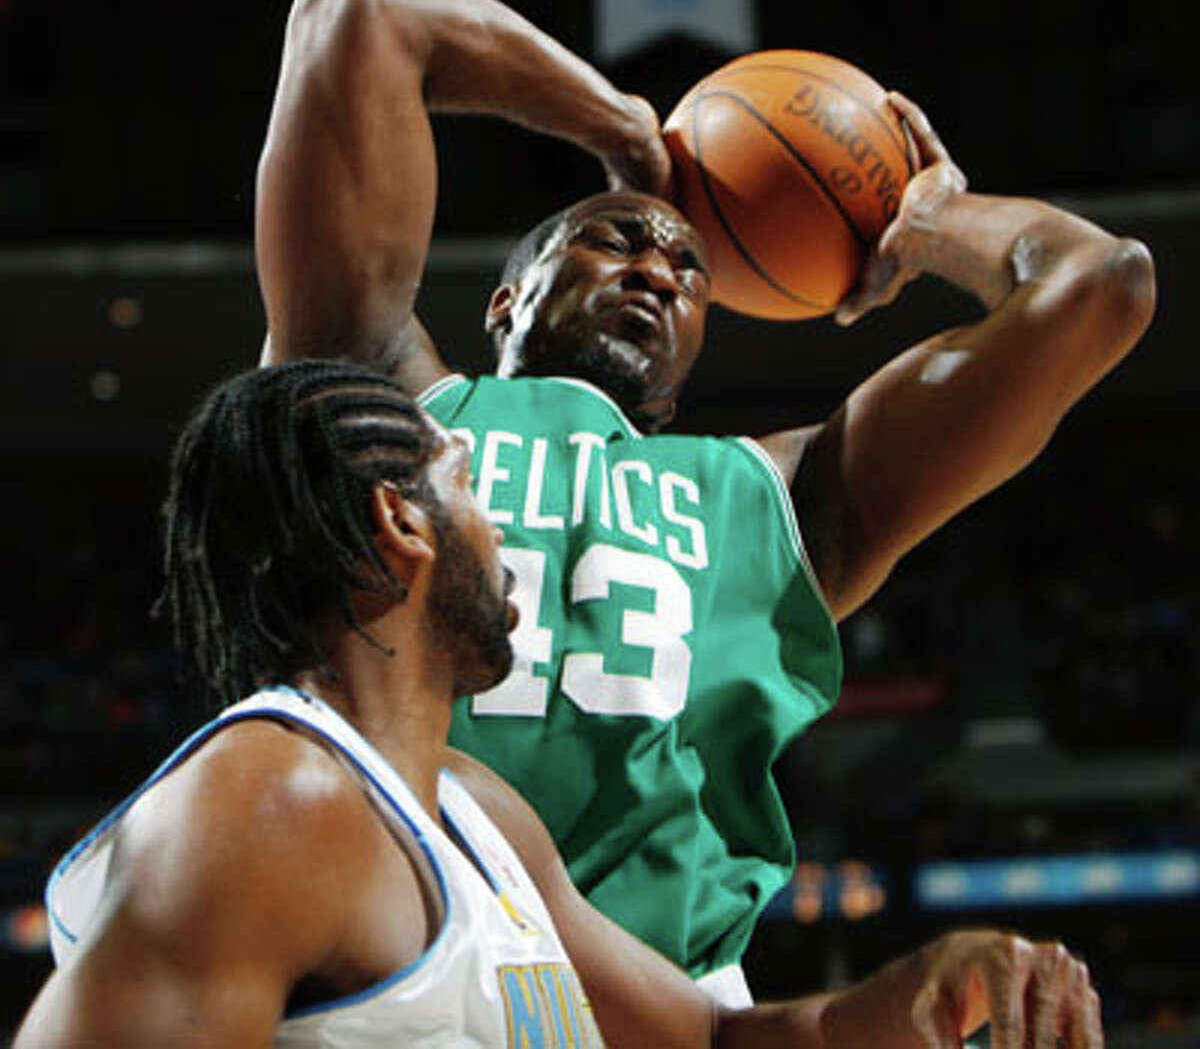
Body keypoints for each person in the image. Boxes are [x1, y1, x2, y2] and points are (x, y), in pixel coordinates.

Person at [254, 0, 1157, 1002]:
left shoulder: (782, 497)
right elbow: (356, 8)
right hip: (393, 983)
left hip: (668, 1002)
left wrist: (930, 226)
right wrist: (620, 130)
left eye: (691, 270)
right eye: (616, 238)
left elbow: (1103, 286)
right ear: (505, 304)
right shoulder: (385, 410)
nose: (658, 267)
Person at [16, 358, 1104, 1048]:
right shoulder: (267, 807)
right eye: (475, 492)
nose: (502, 538)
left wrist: (926, 988)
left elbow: (719, 1044)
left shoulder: (481, 817)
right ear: (404, 528)